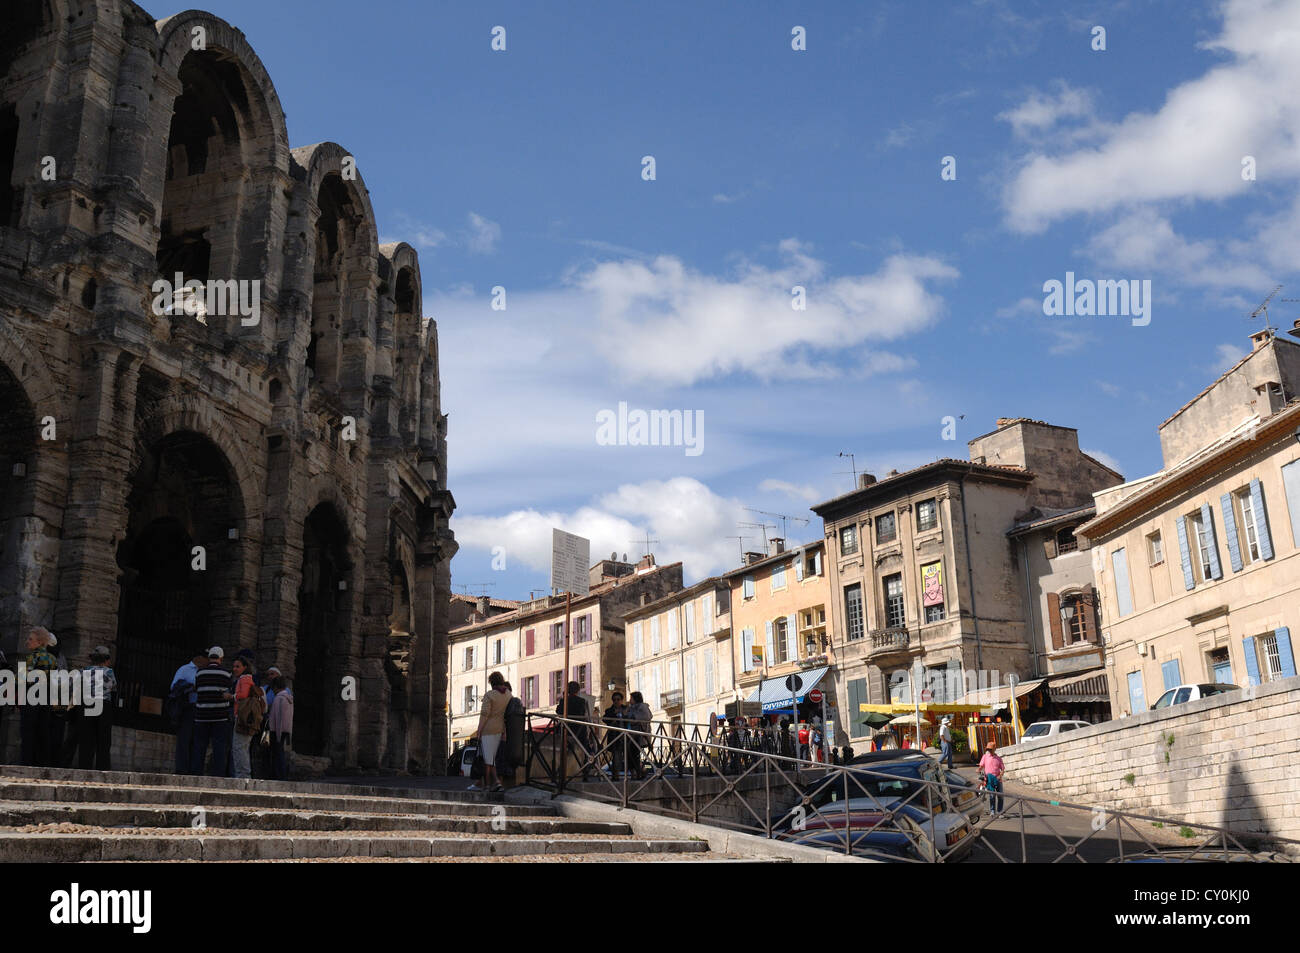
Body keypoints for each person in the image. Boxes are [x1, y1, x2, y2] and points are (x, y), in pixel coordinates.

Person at [19, 627, 58, 767]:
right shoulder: (53, 659)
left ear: (40, 642)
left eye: (30, 639)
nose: (27, 642)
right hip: (46, 696)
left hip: (32, 695)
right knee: (43, 730)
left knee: (27, 729)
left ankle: (26, 763)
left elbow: (22, 679)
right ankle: (42, 763)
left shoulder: (31, 658)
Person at [191, 646, 233, 776]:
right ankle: (217, 776)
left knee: (199, 746)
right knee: (219, 748)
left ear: (209, 657)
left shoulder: (200, 673)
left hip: (201, 716)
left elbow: (196, 689)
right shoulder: (227, 673)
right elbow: (229, 693)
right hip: (220, 717)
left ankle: (196, 774)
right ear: (221, 658)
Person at [75, 645, 116, 770]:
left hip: (86, 704)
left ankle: (84, 767)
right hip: (103, 705)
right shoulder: (109, 672)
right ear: (106, 659)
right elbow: (113, 687)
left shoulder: (84, 671)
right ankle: (102, 768)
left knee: (86, 738)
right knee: (103, 740)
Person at [471, 671, 512, 792]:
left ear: (491, 682)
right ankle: (495, 783)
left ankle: (488, 785)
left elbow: (485, 714)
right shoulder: (508, 694)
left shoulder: (490, 695)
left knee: (488, 759)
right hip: (500, 729)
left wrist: (479, 730)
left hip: (488, 729)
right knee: (492, 758)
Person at [169, 649, 208, 774]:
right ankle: (182, 769)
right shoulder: (184, 669)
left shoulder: (205, 671)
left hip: (201, 709)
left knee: (198, 741)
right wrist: (191, 687)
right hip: (187, 709)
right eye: (206, 658)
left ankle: (195, 770)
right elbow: (174, 687)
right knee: (184, 740)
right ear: (199, 658)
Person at [230, 656, 264, 779]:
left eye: (238, 666)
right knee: (242, 747)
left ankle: (242, 776)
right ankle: (243, 775)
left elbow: (243, 694)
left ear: (245, 667)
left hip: (242, 718)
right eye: (234, 666)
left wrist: (231, 696)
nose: (235, 669)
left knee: (239, 748)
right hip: (245, 718)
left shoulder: (244, 679)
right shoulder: (247, 679)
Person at [554, 681, 591, 782]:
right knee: (584, 752)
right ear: (578, 690)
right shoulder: (582, 701)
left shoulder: (564, 701)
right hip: (579, 729)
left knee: (564, 752)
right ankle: (585, 773)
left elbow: (558, 711)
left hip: (567, 729)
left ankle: (560, 773)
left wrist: (564, 697)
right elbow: (584, 714)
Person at [267, 675, 293, 780]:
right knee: (280, 752)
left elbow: (279, 718)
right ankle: (280, 774)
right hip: (285, 730)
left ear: (275, 687)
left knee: (277, 754)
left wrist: (277, 734)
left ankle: (279, 775)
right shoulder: (288, 698)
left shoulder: (279, 699)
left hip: (277, 731)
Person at [602, 692, 629, 779]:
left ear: (622, 700)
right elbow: (604, 719)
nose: (616, 701)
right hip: (615, 737)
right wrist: (614, 715)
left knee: (630, 755)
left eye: (618, 699)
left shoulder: (627, 709)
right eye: (614, 700)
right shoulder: (609, 710)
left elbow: (631, 718)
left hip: (627, 737)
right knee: (616, 757)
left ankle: (636, 773)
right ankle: (615, 775)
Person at [626, 691, 652, 780]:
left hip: (640, 734)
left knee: (633, 753)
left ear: (635, 699)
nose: (630, 700)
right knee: (631, 753)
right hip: (632, 734)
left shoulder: (642, 707)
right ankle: (639, 771)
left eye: (631, 698)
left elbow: (646, 717)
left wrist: (632, 717)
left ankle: (640, 771)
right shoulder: (632, 708)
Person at [979, 740, 1006, 814]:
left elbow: (1003, 769)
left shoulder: (998, 758)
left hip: (998, 779)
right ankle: (992, 811)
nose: (989, 751)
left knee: (1000, 796)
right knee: (992, 795)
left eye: (990, 749)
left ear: (994, 749)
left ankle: (1000, 811)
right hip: (989, 779)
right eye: (988, 749)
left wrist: (1000, 776)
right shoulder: (985, 757)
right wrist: (979, 769)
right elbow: (981, 766)